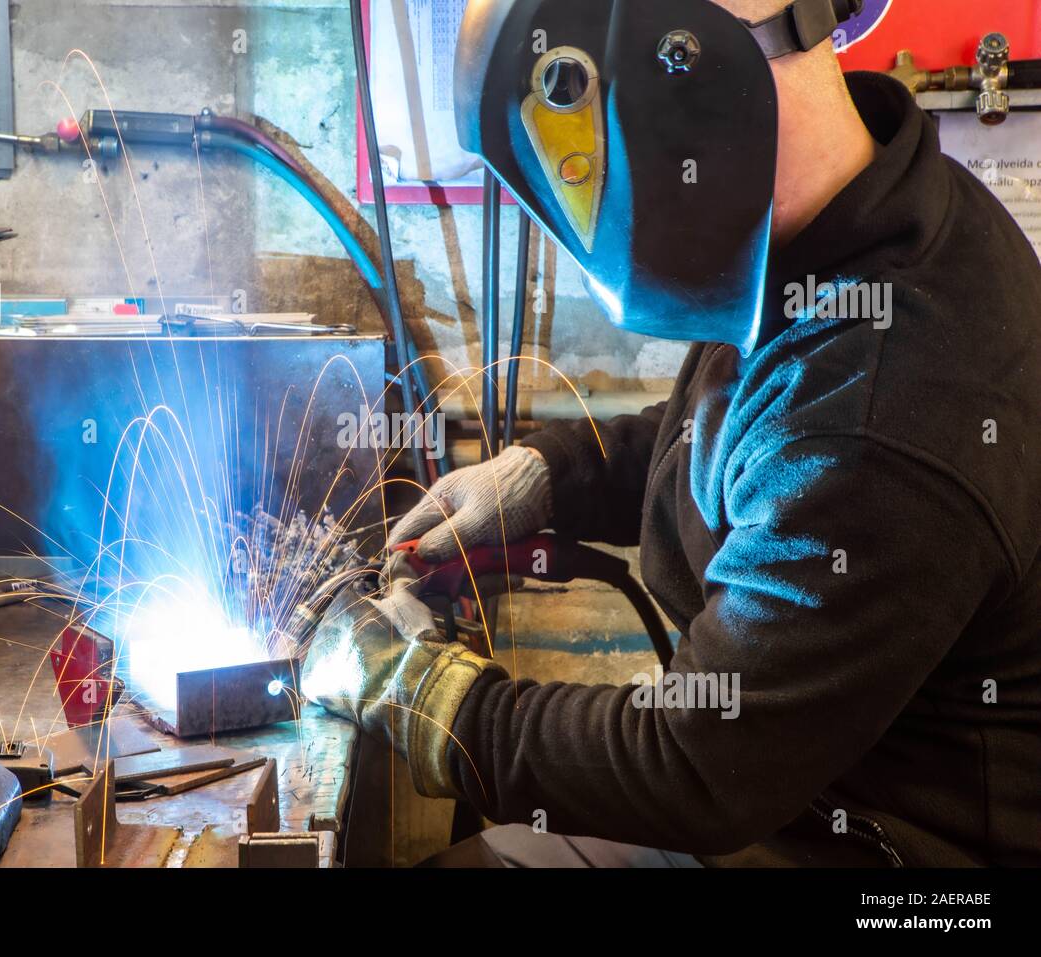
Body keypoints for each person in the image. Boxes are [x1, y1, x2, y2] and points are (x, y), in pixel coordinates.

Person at [303, 0, 1041, 866]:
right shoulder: (852, 223)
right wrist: (552, 472)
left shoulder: (892, 404)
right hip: (793, 785)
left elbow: (696, 766)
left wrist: (426, 695)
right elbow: (750, 435)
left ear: (681, 79)